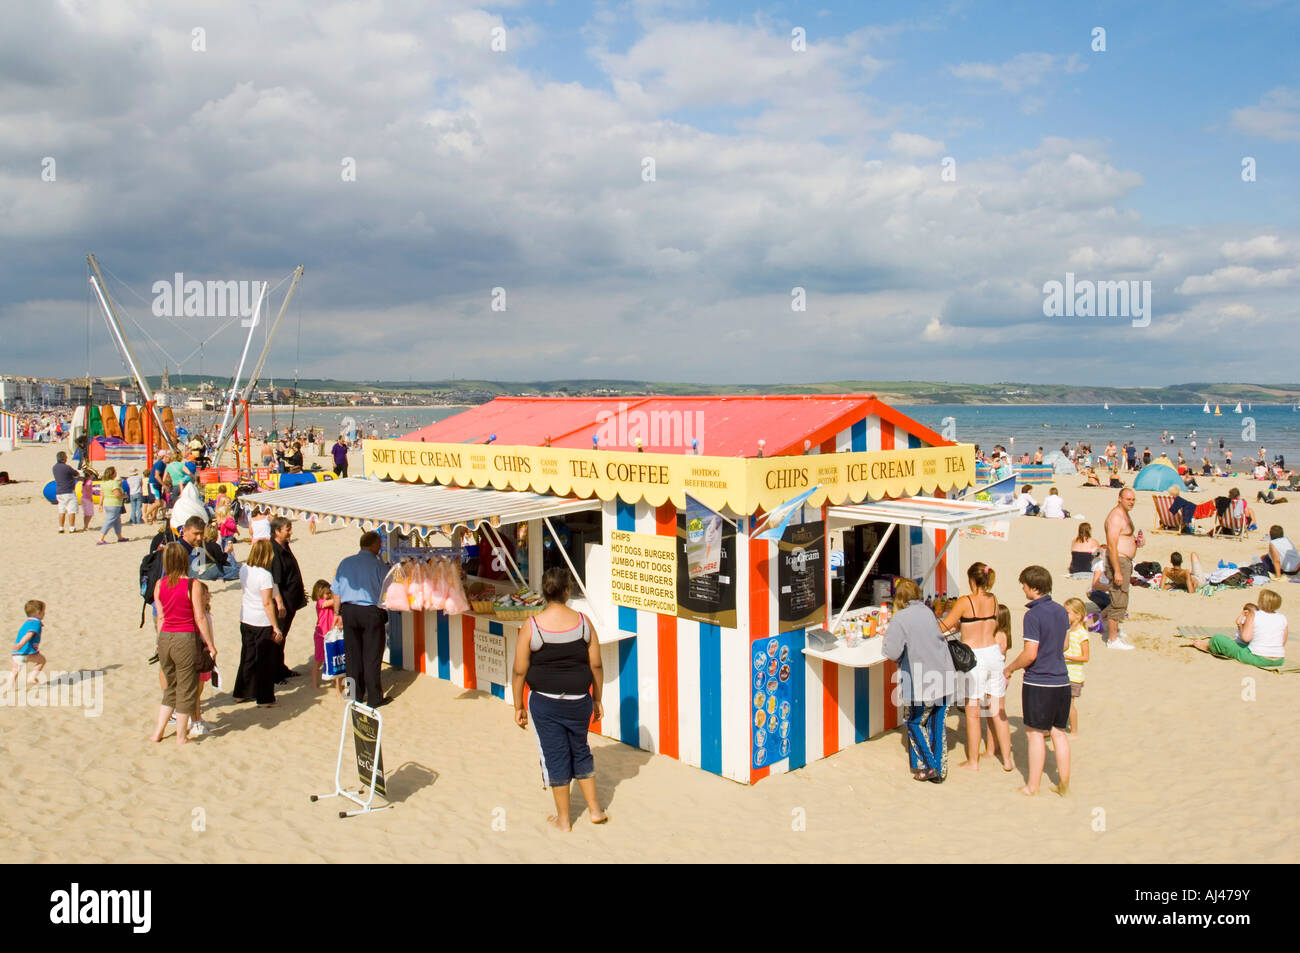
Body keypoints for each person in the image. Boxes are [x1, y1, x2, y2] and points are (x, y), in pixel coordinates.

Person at [511, 567, 608, 830]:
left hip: (545, 702)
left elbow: (519, 670)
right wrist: (597, 699)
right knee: (580, 749)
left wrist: (518, 705)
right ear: (567, 591)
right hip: (580, 700)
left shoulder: (532, 626)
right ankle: (595, 810)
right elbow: (596, 666)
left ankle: (564, 820)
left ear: (544, 591)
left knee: (555, 754)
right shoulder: (584, 623)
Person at [1003, 566, 1072, 796]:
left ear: (1033, 587)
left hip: (1040, 681)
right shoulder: (1062, 611)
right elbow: (1065, 645)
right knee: (1058, 732)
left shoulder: (1032, 615)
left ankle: (1032, 786)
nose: (1022, 588)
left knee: (1034, 734)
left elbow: (1030, 653)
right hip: (1062, 680)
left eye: (1023, 584)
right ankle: (1063, 781)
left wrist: (1011, 667)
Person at [939, 563, 1011, 773]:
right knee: (998, 711)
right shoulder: (993, 599)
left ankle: (973, 761)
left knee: (972, 713)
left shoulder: (965, 601)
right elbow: (989, 624)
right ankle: (1007, 760)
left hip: (973, 658)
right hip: (993, 654)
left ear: (971, 579)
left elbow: (944, 626)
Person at [882, 578, 955, 783]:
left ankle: (931, 767)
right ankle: (939, 766)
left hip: (923, 679)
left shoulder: (900, 618)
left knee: (914, 721)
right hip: (944, 674)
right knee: (937, 720)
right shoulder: (928, 612)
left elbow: (891, 651)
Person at [148, 543, 216, 743]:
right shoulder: (192, 584)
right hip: (185, 637)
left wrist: (159, 643)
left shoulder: (160, 584)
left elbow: (160, 617)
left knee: (170, 688)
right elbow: (200, 617)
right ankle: (180, 735)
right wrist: (210, 645)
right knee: (187, 688)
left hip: (165, 636)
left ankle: (158, 732)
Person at [333, 531, 390, 707]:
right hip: (371, 611)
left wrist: (337, 613)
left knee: (352, 654)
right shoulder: (379, 566)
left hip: (349, 611)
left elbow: (337, 590)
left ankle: (354, 695)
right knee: (372, 656)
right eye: (379, 545)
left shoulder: (345, 563)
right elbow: (388, 590)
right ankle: (374, 697)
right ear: (374, 545)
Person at [233, 540, 282, 707]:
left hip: (246, 617)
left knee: (247, 655)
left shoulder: (245, 568)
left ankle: (242, 692)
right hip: (261, 620)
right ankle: (265, 697)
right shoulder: (265, 575)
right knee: (263, 660)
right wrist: (275, 626)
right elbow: (267, 603)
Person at [1190, 589, 1287, 668]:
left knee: (1218, 638)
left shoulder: (1254, 615)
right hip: (1279, 660)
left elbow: (1246, 638)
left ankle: (1208, 646)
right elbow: (1282, 642)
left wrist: (1240, 626)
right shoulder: (1283, 618)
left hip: (1258, 658)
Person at [269, 516, 307, 682]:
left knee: (283, 636)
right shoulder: (275, 551)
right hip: (283, 602)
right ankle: (275, 672)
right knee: (278, 636)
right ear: (277, 532)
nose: (290, 532)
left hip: (291, 599)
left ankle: (280, 667)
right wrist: (280, 603)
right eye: (287, 529)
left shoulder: (284, 546)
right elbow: (275, 580)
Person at [1102, 488, 1138, 650]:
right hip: (1119, 561)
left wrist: (1136, 542)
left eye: (1133, 499)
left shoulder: (1125, 514)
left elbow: (1125, 537)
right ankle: (1112, 639)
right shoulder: (1116, 517)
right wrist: (1116, 569)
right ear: (1120, 499)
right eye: (1128, 499)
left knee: (1122, 597)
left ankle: (1116, 630)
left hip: (1125, 561)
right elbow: (1111, 545)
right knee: (1118, 598)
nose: (1131, 502)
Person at [1061, 598, 1090, 736]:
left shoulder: (1082, 634)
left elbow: (1086, 657)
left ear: (1078, 615)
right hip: (1062, 672)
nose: (1064, 615)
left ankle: (1074, 731)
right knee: (1059, 703)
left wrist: (1068, 657)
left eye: (1067, 612)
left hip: (1074, 675)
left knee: (1069, 705)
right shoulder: (1067, 630)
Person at [311, 580, 343, 695]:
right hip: (321, 636)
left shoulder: (330, 603)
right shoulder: (321, 603)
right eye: (326, 593)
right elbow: (332, 601)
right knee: (318, 660)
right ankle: (314, 684)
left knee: (335, 660)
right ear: (319, 594)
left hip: (331, 635)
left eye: (330, 593)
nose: (329, 595)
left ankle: (338, 687)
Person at [9, 599, 47, 690]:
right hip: (28, 652)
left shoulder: (28, 622)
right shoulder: (36, 623)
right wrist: (21, 644)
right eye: (43, 611)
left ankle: (10, 686)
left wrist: (18, 646)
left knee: (14, 670)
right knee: (42, 660)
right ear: (38, 612)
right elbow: (29, 634)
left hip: (17, 653)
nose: (44, 613)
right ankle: (31, 677)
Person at [96, 466, 128, 544]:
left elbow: (102, 494)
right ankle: (101, 538)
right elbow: (117, 494)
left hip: (107, 504)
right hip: (114, 504)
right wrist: (124, 495)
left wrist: (100, 504)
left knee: (117, 521)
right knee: (109, 521)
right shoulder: (114, 483)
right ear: (113, 474)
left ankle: (120, 537)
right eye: (115, 472)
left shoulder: (104, 483)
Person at [52, 451, 81, 534]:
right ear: (64, 458)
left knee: (61, 510)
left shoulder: (54, 468)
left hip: (59, 491)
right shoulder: (66, 467)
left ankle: (61, 527)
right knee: (71, 510)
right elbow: (76, 474)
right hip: (68, 491)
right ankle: (72, 527)